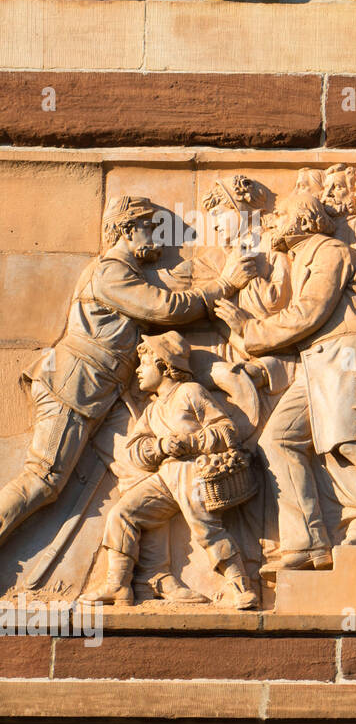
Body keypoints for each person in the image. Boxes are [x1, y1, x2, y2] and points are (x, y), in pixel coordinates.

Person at [0, 196, 256, 549]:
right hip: (74, 387)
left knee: (145, 476)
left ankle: (148, 577)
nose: (156, 237)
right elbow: (166, 307)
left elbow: (172, 288)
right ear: (126, 229)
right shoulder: (110, 271)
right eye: (149, 228)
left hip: (105, 392)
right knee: (44, 478)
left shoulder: (128, 273)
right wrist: (224, 285)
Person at [213, 194, 356, 571]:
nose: (273, 220)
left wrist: (248, 330)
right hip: (320, 361)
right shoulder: (304, 259)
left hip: (347, 354)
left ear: (303, 220)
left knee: (355, 436)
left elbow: (309, 312)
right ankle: (307, 544)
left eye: (280, 212)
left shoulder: (330, 251)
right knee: (278, 439)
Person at [83, 333, 259, 609]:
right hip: (166, 476)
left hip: (193, 473)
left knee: (207, 530)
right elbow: (135, 448)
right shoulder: (152, 410)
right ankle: (118, 584)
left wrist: (192, 442)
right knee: (122, 513)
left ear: (164, 365)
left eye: (144, 364)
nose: (138, 371)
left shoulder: (191, 392)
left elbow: (227, 431)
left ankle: (240, 586)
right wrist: (160, 447)